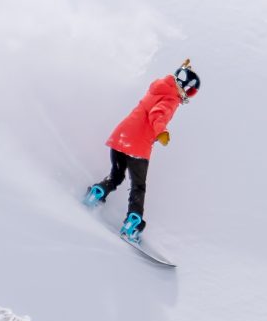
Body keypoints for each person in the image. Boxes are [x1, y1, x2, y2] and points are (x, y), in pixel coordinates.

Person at [84, 61, 199, 241]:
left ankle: (97, 192)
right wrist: (162, 132)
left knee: (116, 176)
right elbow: (157, 114)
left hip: (121, 137)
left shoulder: (159, 88)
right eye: (189, 92)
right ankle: (133, 224)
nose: (187, 97)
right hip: (138, 146)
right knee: (138, 187)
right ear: (185, 88)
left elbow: (151, 108)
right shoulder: (172, 98)